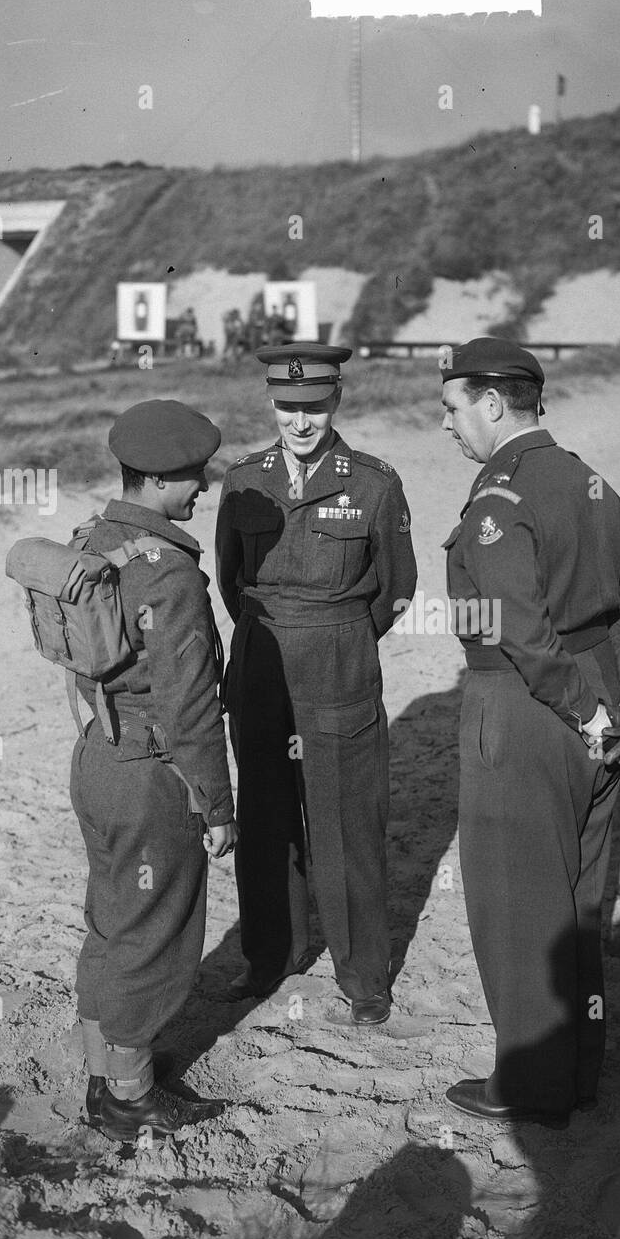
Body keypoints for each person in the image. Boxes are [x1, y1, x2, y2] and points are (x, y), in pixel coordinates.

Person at [439, 337, 620, 1128]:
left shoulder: (500, 497)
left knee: (518, 904)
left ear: (493, 405)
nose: (449, 426)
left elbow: (523, 633)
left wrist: (588, 712)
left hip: (530, 709)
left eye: (454, 408)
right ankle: (578, 1069)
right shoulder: (590, 481)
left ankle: (533, 1084)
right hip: (598, 699)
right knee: (578, 900)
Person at [215, 343, 417, 1023]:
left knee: (346, 820)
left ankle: (364, 977)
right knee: (267, 814)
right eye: (286, 407)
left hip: (339, 660)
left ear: (337, 401)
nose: (300, 421)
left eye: (314, 407)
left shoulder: (373, 483)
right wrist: (271, 638)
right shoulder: (243, 480)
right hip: (261, 660)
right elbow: (229, 579)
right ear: (270, 404)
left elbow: (396, 590)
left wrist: (343, 640)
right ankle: (272, 954)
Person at [71, 400, 237, 1142]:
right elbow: (191, 705)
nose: (202, 490)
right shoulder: (168, 574)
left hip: (97, 759)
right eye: (194, 479)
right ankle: (130, 1100)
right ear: (161, 478)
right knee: (157, 934)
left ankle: (101, 1070)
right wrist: (217, 804)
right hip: (149, 772)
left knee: (111, 921)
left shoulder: (92, 542)